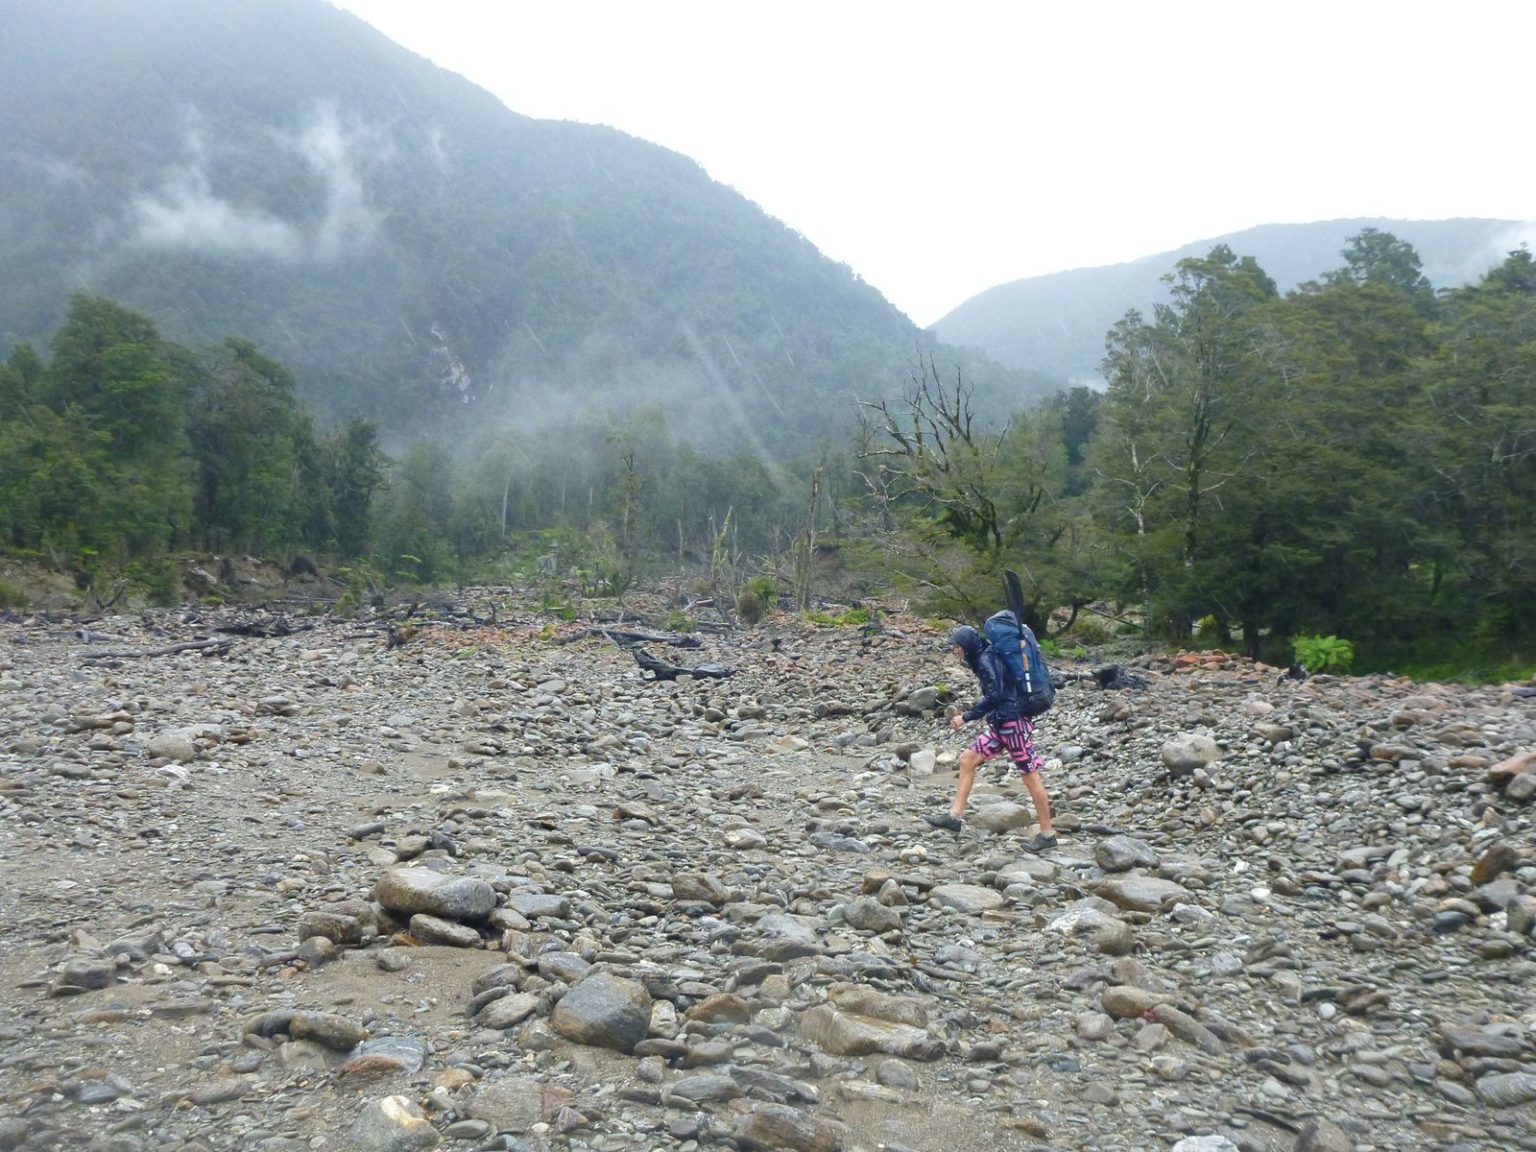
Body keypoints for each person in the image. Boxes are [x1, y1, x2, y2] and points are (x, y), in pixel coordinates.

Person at [926, 625, 1057, 852]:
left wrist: (966, 717)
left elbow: (995, 695)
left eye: (957, 647)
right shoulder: (986, 658)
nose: (955, 651)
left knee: (1030, 776)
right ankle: (954, 818)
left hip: (1013, 726)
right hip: (1001, 724)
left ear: (967, 646)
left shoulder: (987, 660)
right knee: (967, 759)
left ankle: (1047, 834)